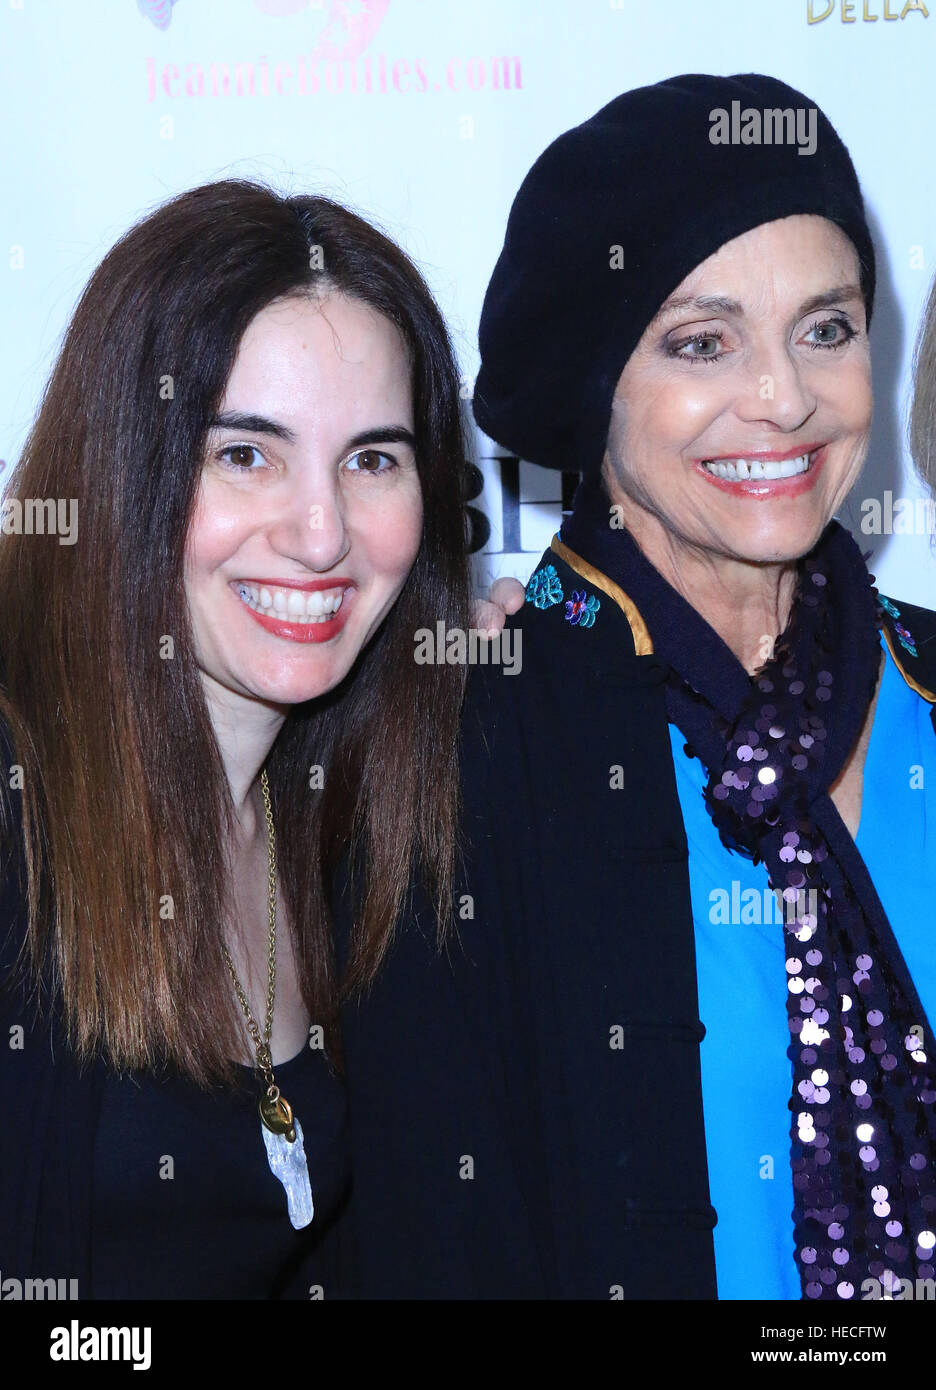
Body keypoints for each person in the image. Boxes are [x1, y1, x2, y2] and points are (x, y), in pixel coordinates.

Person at [337, 73, 936, 1301]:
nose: (783, 397)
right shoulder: (460, 743)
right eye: (701, 342)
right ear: (594, 389)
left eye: (826, 328)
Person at [0, 177, 488, 1298]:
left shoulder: (341, 820)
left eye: (372, 459)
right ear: (124, 469)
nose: (320, 534)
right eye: (245, 454)